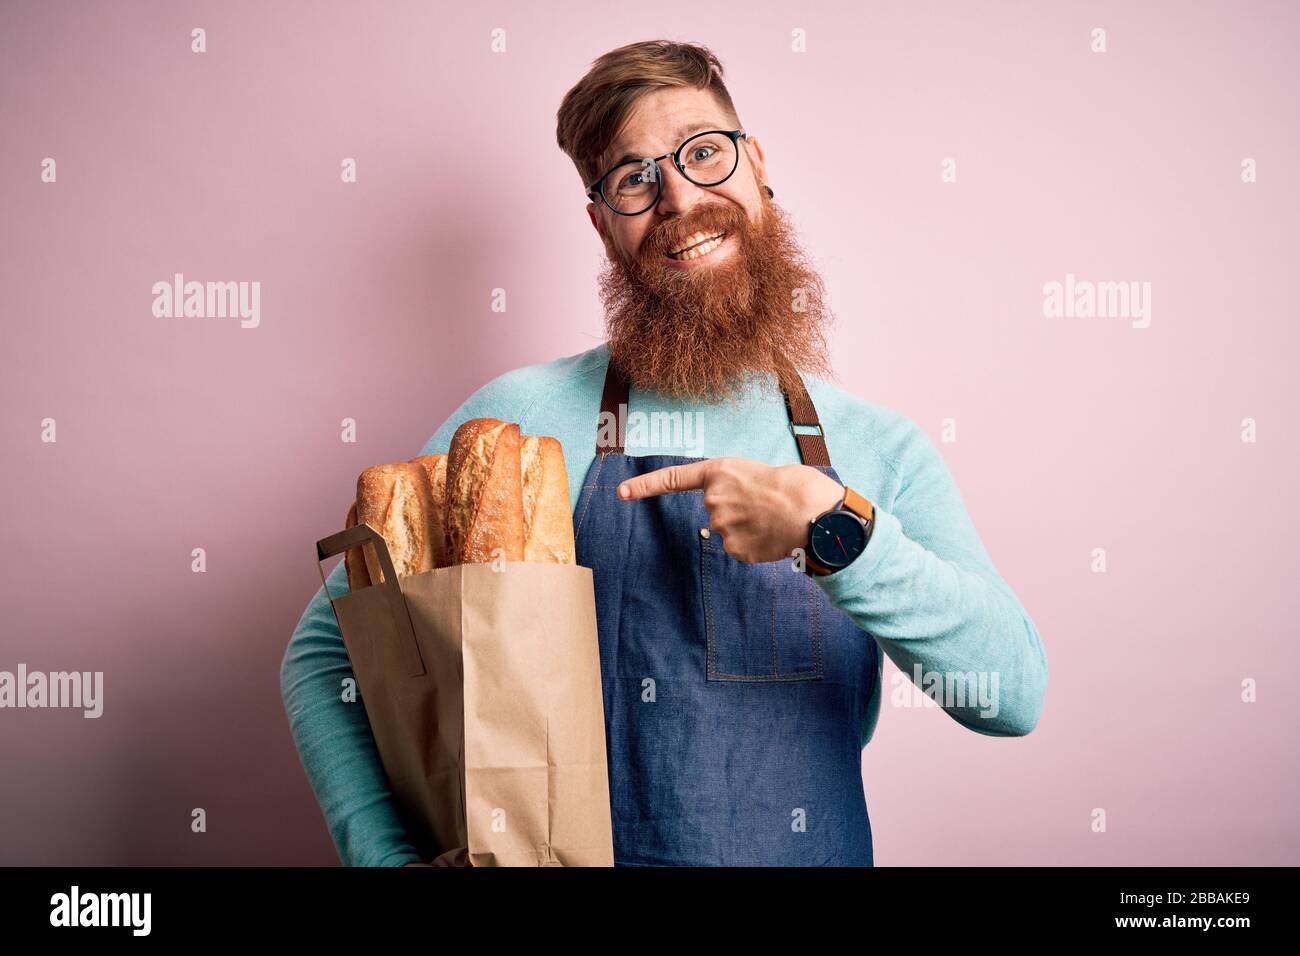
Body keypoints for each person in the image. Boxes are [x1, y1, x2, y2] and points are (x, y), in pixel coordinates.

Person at [281, 39, 1048, 867]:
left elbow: (1010, 697)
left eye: (704, 152)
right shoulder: (520, 425)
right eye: (634, 178)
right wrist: (385, 858)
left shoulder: (876, 448)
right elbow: (326, 657)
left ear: (755, 164)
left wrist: (837, 531)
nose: (680, 197)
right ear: (601, 221)